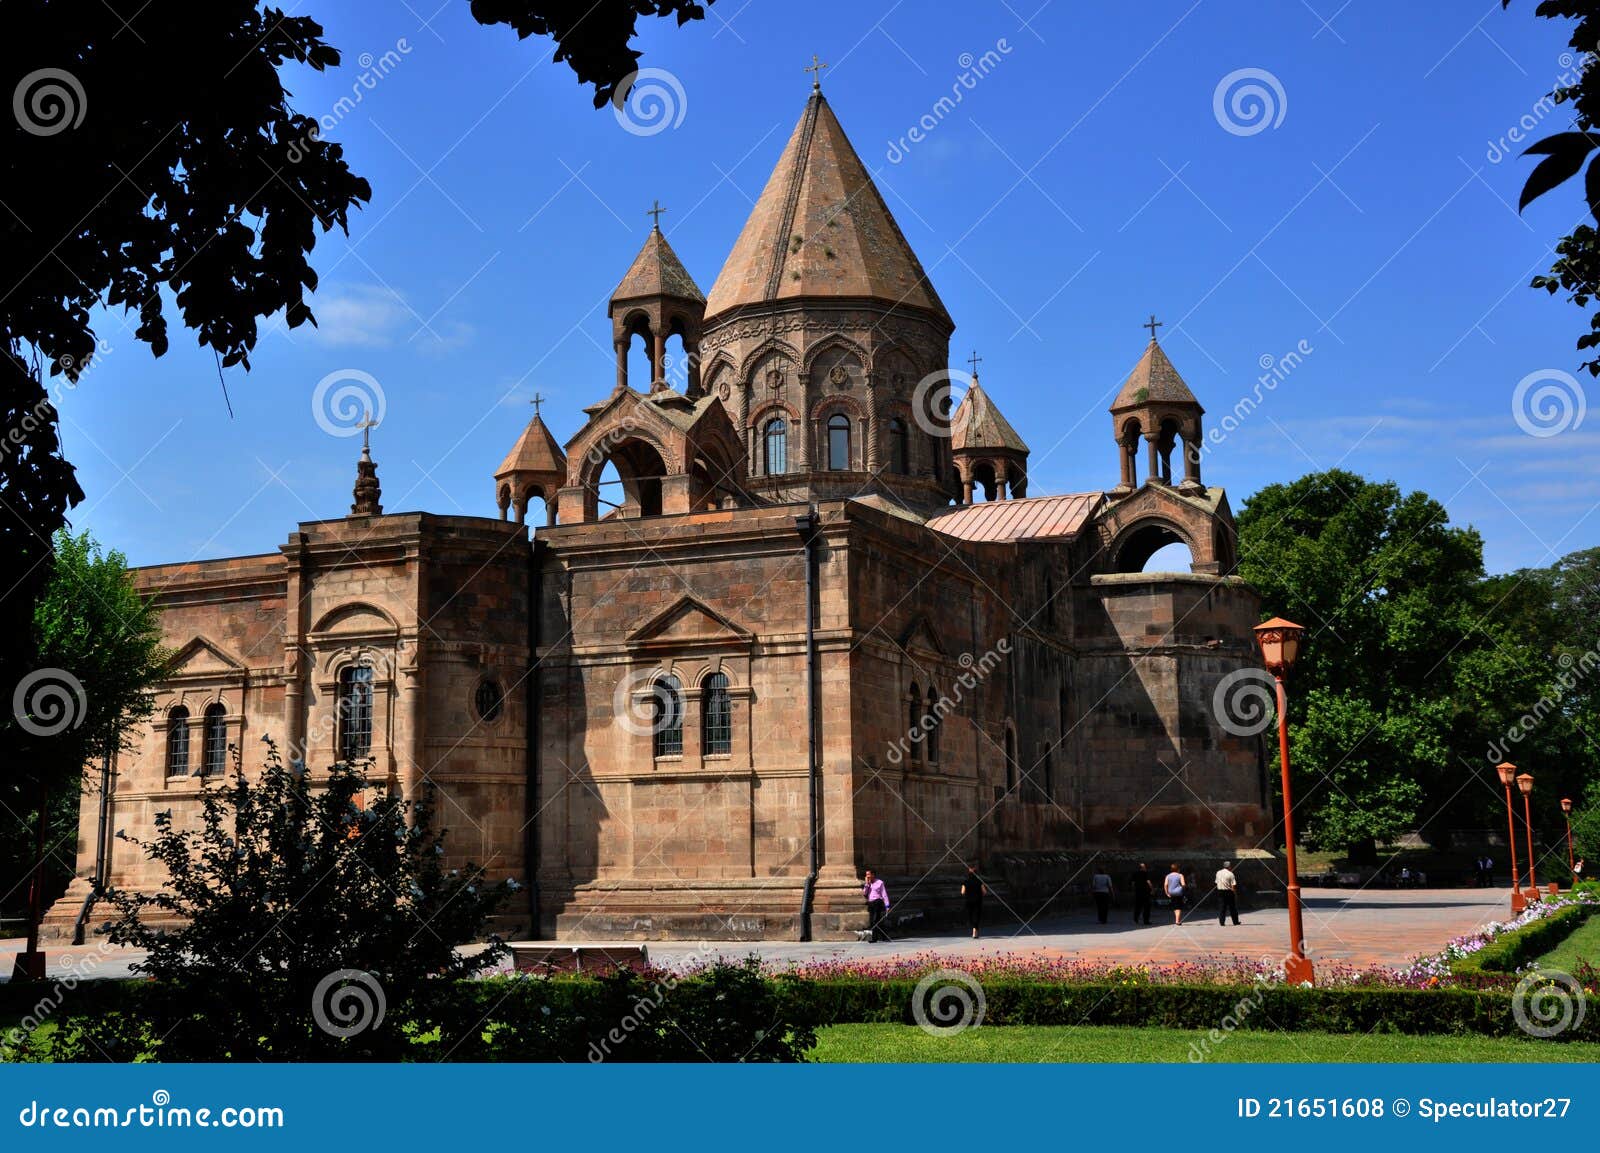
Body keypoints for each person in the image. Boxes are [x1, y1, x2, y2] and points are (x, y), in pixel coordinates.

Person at [862, 869, 891, 942]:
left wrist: (887, 905)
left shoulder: (879, 882)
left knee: (875, 920)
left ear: (873, 875)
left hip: (877, 902)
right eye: (866, 875)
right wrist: (867, 884)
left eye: (868, 874)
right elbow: (864, 893)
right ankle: (884, 936)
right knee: (874, 921)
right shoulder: (868, 884)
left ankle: (874, 938)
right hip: (870, 903)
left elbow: (884, 894)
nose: (867, 876)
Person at [961, 864, 987, 939]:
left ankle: (974, 929)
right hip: (978, 900)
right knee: (977, 916)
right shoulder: (979, 881)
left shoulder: (965, 882)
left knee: (970, 916)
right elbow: (984, 891)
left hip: (968, 900)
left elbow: (962, 892)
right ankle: (975, 930)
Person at [1214, 860, 1240, 926]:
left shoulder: (1218, 872)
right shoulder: (1231, 874)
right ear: (1229, 866)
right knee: (1232, 908)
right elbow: (1233, 885)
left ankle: (1222, 922)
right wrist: (1235, 893)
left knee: (1222, 907)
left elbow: (1216, 882)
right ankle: (1235, 922)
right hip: (1229, 892)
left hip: (1220, 891)